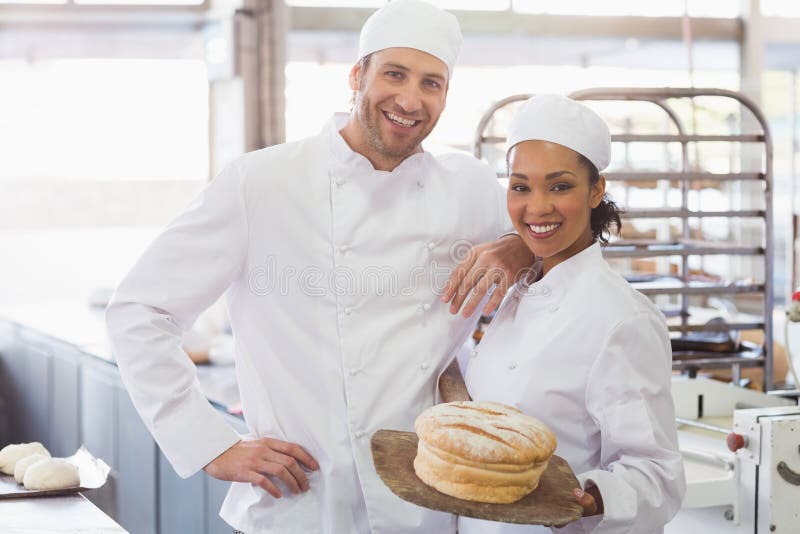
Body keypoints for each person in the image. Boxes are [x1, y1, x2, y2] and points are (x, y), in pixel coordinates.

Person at [105, 1, 533, 533]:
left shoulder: (467, 186)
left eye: (431, 83)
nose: (410, 99)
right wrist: (208, 443)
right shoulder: (262, 183)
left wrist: (521, 249)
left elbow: (549, 288)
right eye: (394, 74)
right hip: (300, 503)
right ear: (356, 76)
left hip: (427, 507)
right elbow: (138, 310)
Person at [457, 94, 686, 533]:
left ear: (596, 189)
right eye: (521, 186)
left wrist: (581, 497)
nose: (537, 207)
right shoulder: (518, 294)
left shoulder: (622, 320)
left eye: (559, 186)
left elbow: (658, 474)